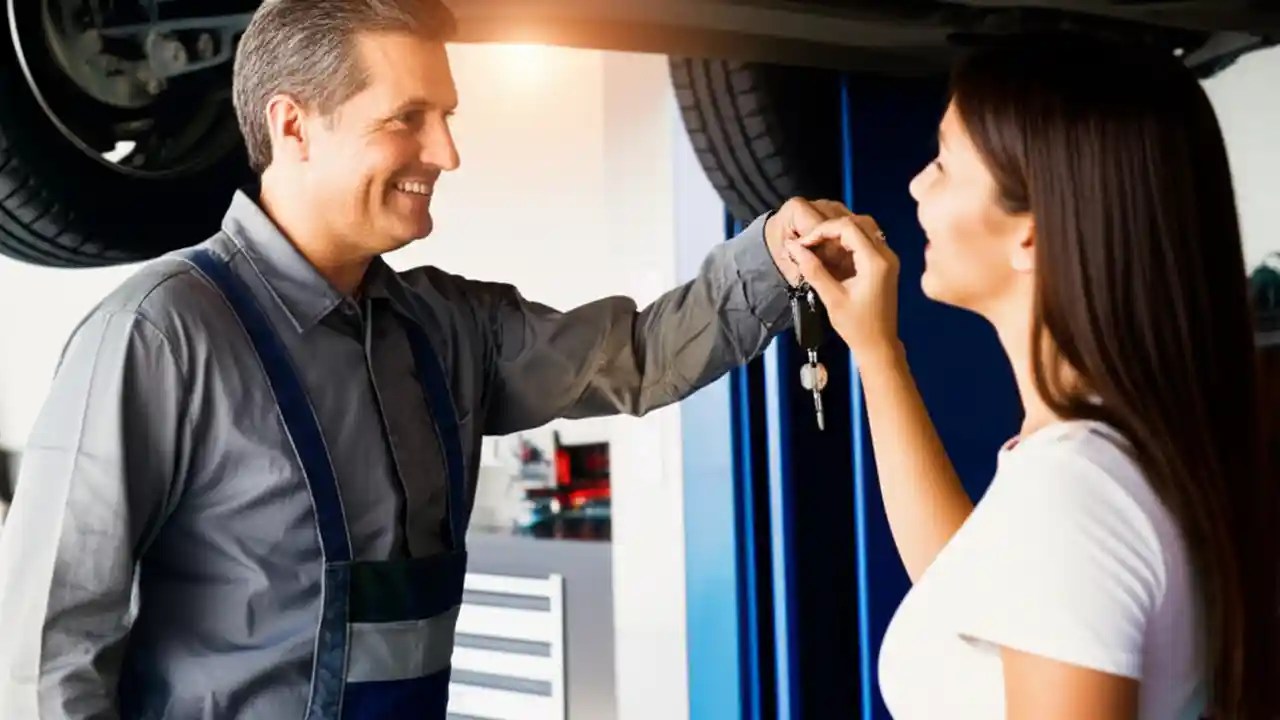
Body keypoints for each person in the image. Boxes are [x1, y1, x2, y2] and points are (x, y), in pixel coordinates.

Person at [0, 1, 853, 717]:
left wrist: (777, 256)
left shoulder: (447, 328)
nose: (447, 153)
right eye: (408, 118)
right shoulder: (161, 337)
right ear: (293, 125)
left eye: (445, 117)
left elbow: (637, 355)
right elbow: (46, 650)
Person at [787, 37, 1278, 719]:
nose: (916, 185)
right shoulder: (1113, 450)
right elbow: (973, 592)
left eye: (944, 164)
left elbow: (1043, 556)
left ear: (1031, 232)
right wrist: (876, 351)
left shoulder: (1075, 487)